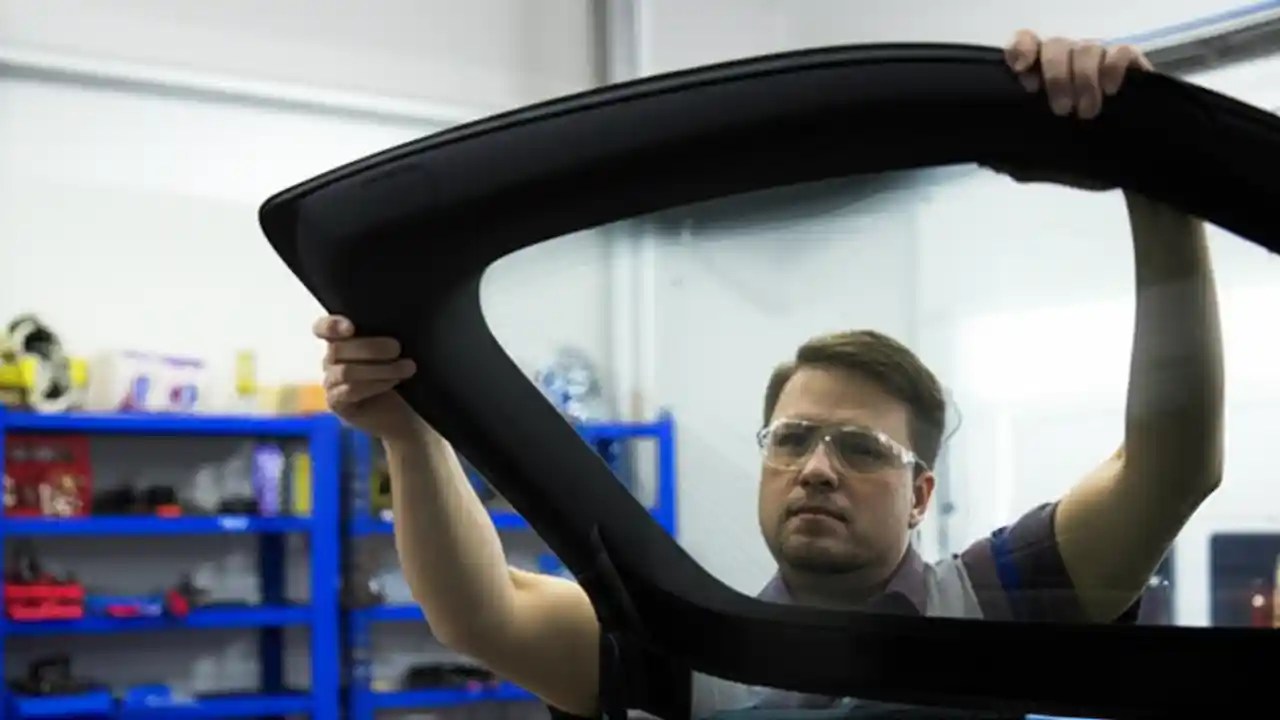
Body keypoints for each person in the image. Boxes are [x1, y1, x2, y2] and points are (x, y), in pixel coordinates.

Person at [314, 30, 1222, 718]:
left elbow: (1171, 466)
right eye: (791, 439)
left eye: (862, 448)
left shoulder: (990, 604)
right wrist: (412, 430)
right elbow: (482, 610)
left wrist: (1156, 180)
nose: (817, 467)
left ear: (920, 493)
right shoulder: (693, 644)